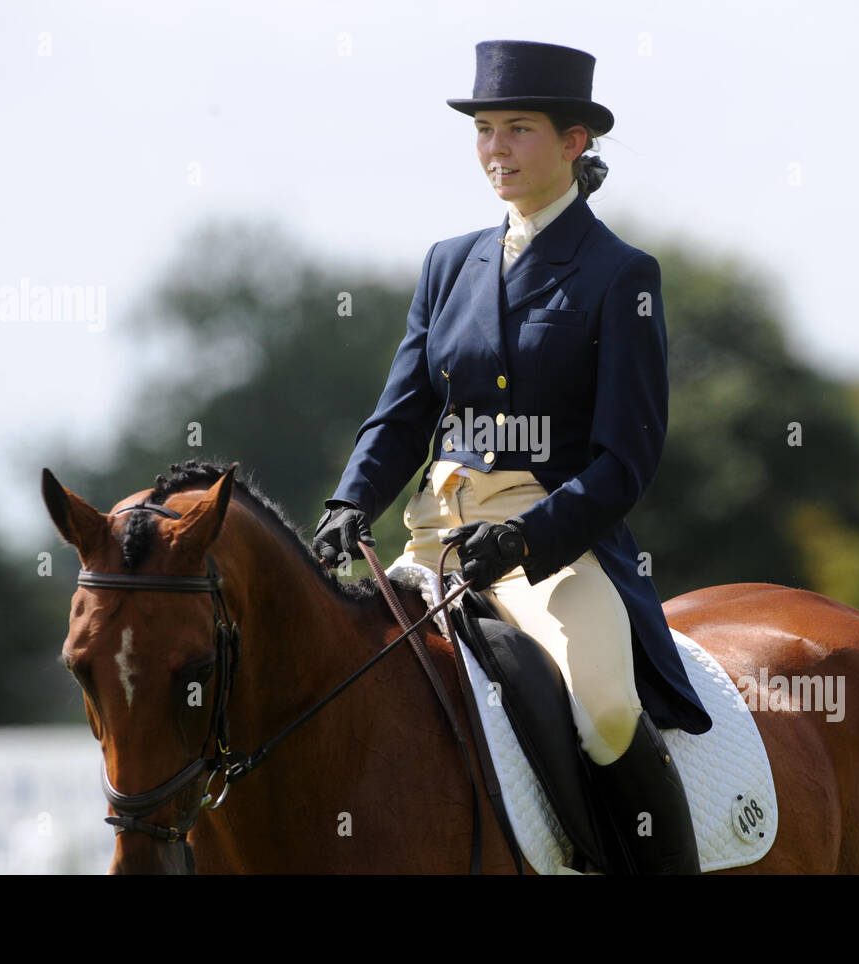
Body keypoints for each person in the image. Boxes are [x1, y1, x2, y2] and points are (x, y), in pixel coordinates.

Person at [313, 39, 710, 874]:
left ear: (575, 143)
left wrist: (530, 538)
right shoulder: (447, 264)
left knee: (604, 709)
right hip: (434, 536)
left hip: (550, 552)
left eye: (519, 129)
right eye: (485, 129)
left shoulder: (618, 274)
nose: (496, 149)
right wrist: (350, 503)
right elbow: (404, 412)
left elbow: (625, 460)